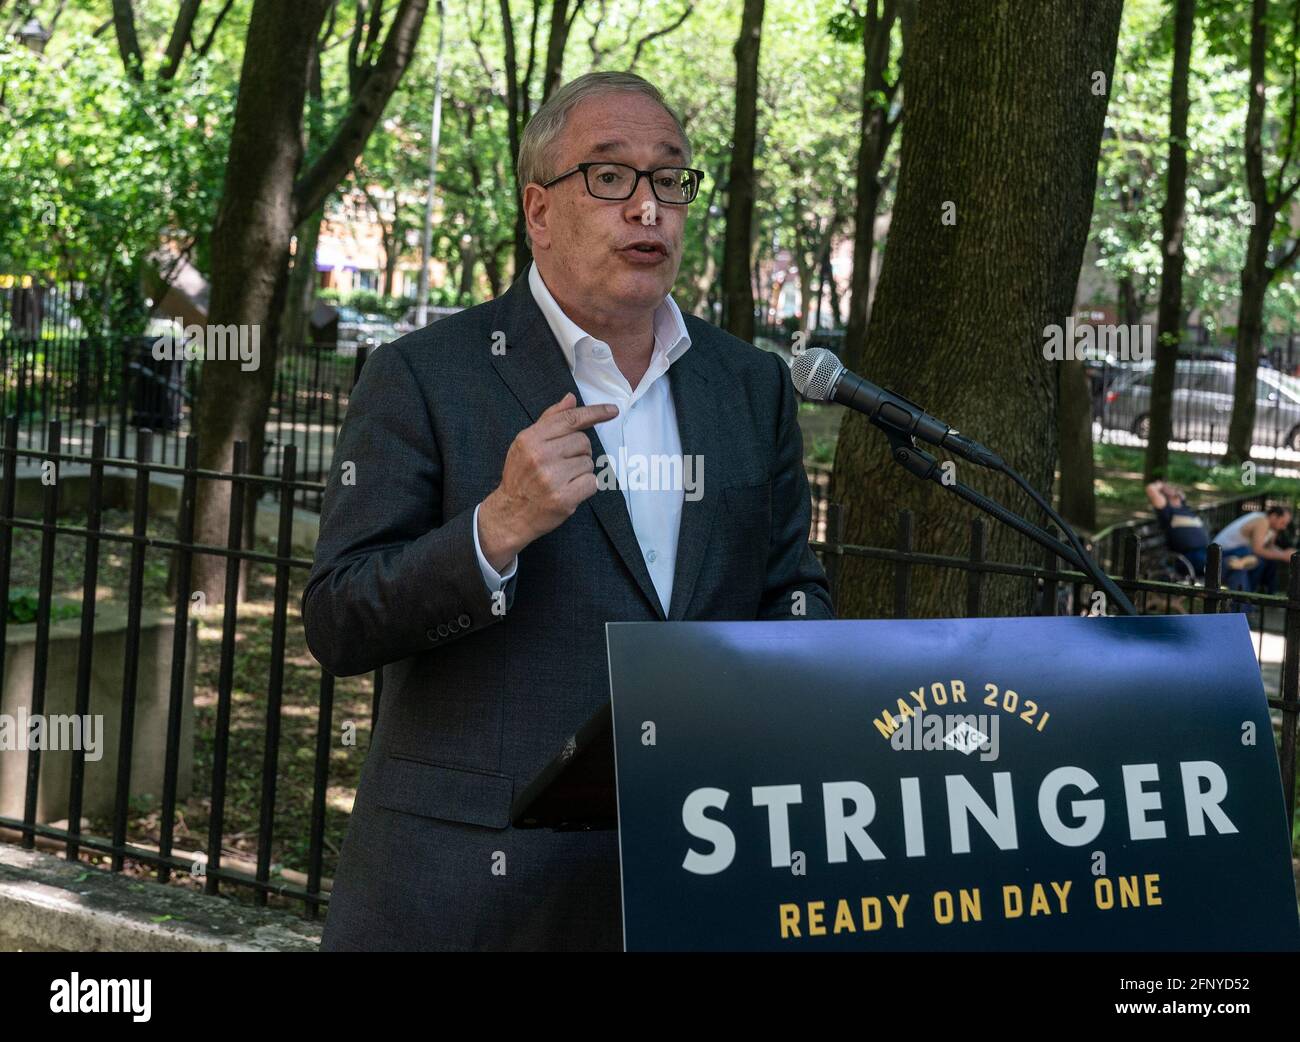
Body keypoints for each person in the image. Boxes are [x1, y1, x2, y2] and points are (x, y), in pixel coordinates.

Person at [302, 71, 834, 951]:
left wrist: (804, 657)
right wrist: (495, 529)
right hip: (472, 892)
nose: (648, 207)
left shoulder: (749, 385)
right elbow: (337, 619)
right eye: (612, 175)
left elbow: (790, 583)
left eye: (669, 178)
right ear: (539, 210)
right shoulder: (425, 375)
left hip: (691, 870)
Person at [1210, 505, 1296, 597]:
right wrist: (1283, 555)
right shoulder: (1262, 521)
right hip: (1221, 553)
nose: (1283, 527)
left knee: (1269, 562)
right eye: (1282, 523)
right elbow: (1258, 550)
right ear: (1274, 516)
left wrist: (1288, 553)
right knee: (1259, 561)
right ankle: (1251, 595)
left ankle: (1270, 594)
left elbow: (1269, 547)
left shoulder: (1272, 528)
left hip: (1241, 553)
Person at [1144, 480, 1209, 575]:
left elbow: (1181, 494)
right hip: (1189, 557)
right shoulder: (1167, 509)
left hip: (1205, 551)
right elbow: (1150, 489)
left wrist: (1170, 489)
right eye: (1168, 488)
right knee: (1219, 567)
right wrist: (1161, 485)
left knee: (1230, 560)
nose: (1172, 488)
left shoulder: (1184, 507)